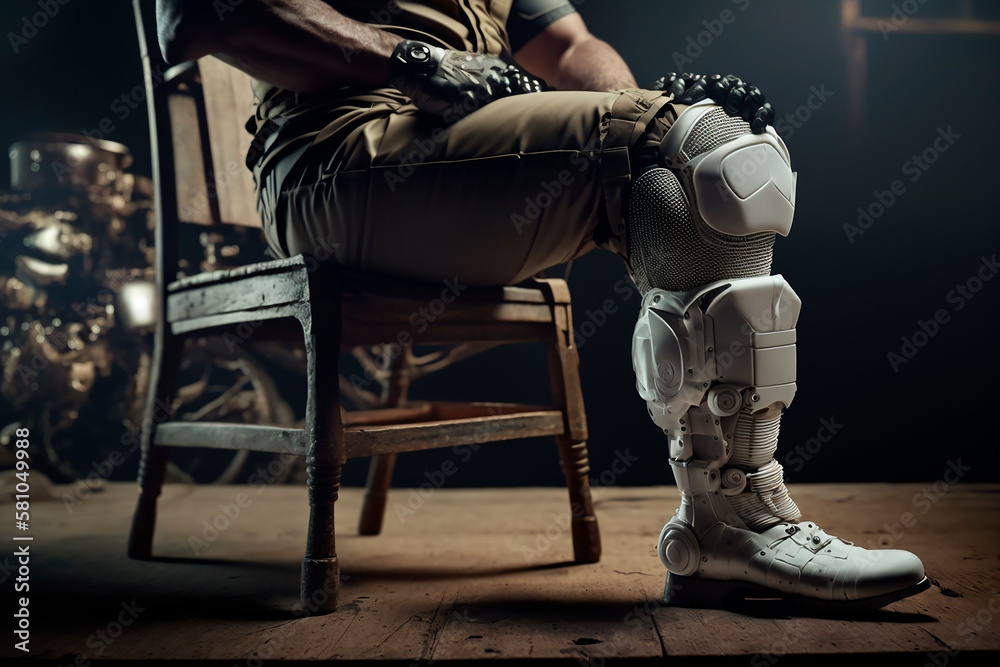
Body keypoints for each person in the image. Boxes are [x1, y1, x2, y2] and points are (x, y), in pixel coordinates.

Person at [155, 0, 929, 612]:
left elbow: (566, 46)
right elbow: (192, 16)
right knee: (699, 154)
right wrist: (406, 58)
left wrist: (646, 105)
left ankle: (726, 523)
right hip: (336, 159)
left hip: (453, 158)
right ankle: (738, 519)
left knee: (708, 161)